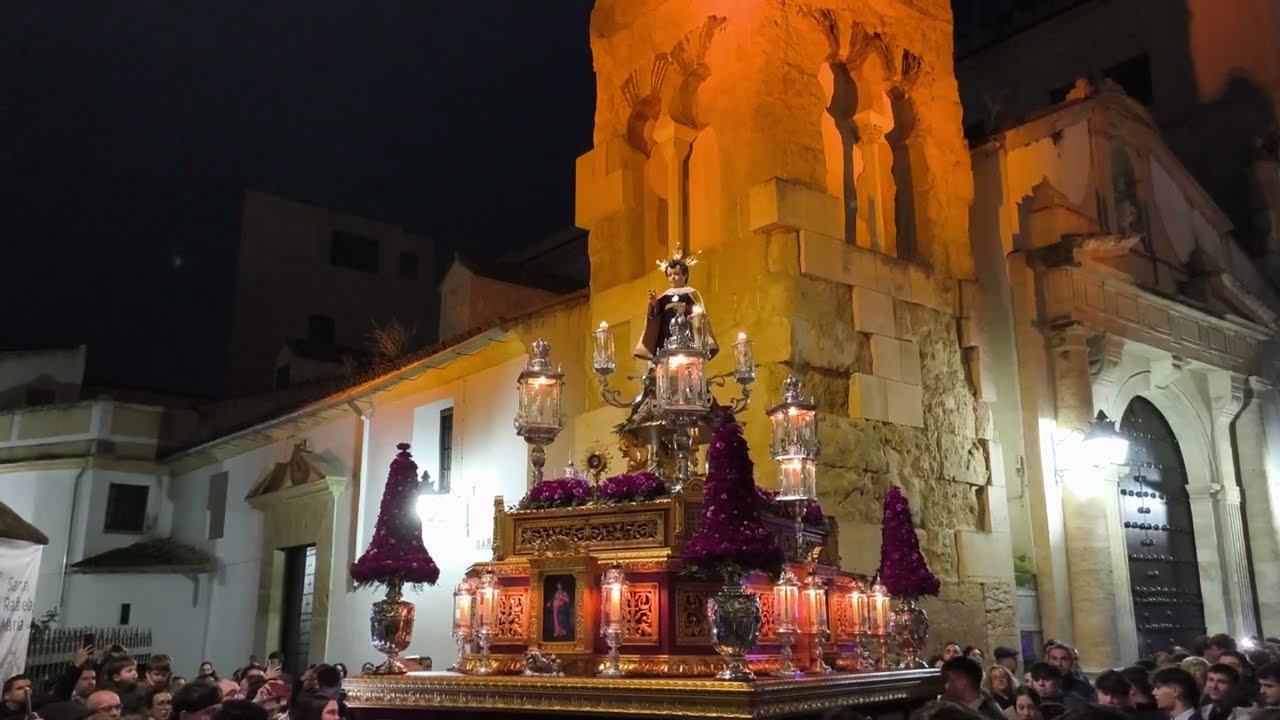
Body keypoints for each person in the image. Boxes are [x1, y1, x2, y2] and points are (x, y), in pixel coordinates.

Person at [635, 255, 717, 361]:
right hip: (667, 337)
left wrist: (689, 311)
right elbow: (655, 318)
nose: (673, 277)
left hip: (687, 337)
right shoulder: (664, 297)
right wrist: (654, 304)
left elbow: (699, 317)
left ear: (685, 275)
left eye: (677, 274)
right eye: (670, 275)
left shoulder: (691, 293)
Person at [941, 657, 1006, 720]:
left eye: (949, 680)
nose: (946, 686)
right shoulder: (955, 710)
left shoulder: (989, 716)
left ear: (962, 681)